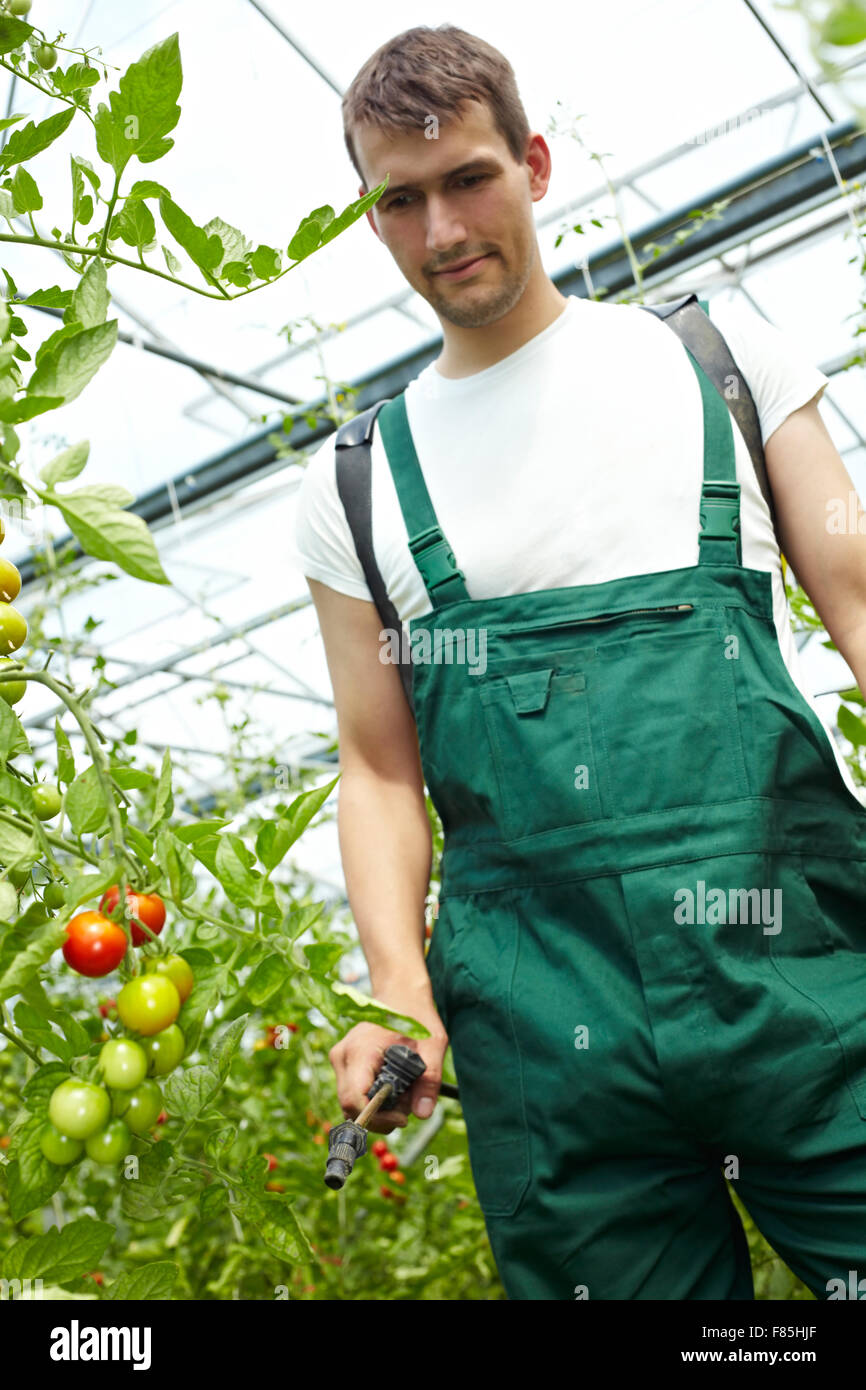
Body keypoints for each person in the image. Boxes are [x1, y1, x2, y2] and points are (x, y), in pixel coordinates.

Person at [292, 23, 866, 1300]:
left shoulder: (715, 367)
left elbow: (859, 607)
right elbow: (379, 769)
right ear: (372, 218)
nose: (440, 229)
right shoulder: (357, 486)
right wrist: (397, 993)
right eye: (400, 199)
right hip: (550, 1049)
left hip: (804, 984)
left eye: (468, 178)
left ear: (535, 164)